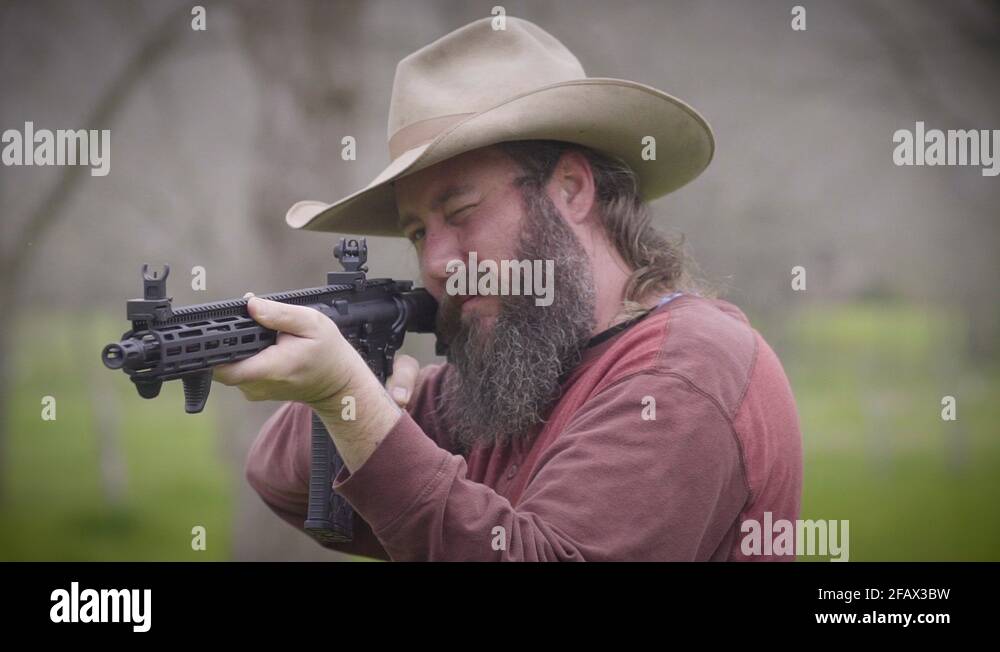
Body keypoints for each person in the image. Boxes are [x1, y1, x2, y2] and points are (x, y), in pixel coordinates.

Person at [215, 16, 802, 561]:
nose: (437, 262)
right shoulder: (519, 368)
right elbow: (278, 475)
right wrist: (353, 383)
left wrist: (356, 405)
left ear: (571, 188)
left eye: (462, 210)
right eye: (417, 232)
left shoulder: (681, 373)